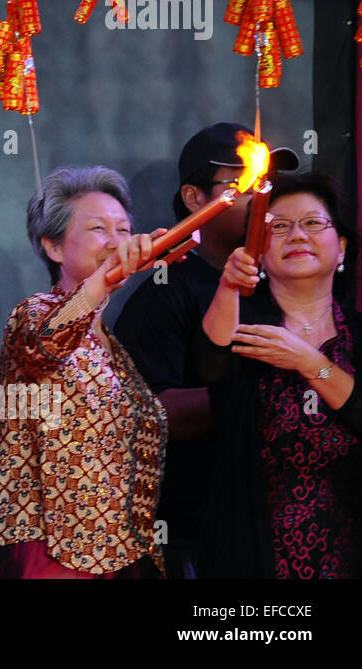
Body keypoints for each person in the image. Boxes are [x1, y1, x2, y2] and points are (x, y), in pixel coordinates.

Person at [113, 122, 296, 577]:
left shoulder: (286, 282)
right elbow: (151, 413)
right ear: (195, 198)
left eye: (267, 180)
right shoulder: (164, 289)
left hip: (282, 526)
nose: (261, 193)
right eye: (243, 180)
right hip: (195, 539)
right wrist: (259, 393)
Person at [0, 165, 165, 578]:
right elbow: (48, 342)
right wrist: (104, 278)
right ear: (54, 247)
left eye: (124, 230)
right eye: (99, 229)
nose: (117, 242)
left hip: (122, 556)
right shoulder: (33, 316)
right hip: (49, 555)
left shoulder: (115, 348)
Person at [195, 171, 362, 578]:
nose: (297, 236)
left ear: (340, 248)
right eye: (279, 227)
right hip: (259, 557)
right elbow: (212, 366)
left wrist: (309, 362)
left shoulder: (359, 334)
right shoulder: (247, 330)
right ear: (259, 252)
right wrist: (230, 287)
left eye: (313, 223)